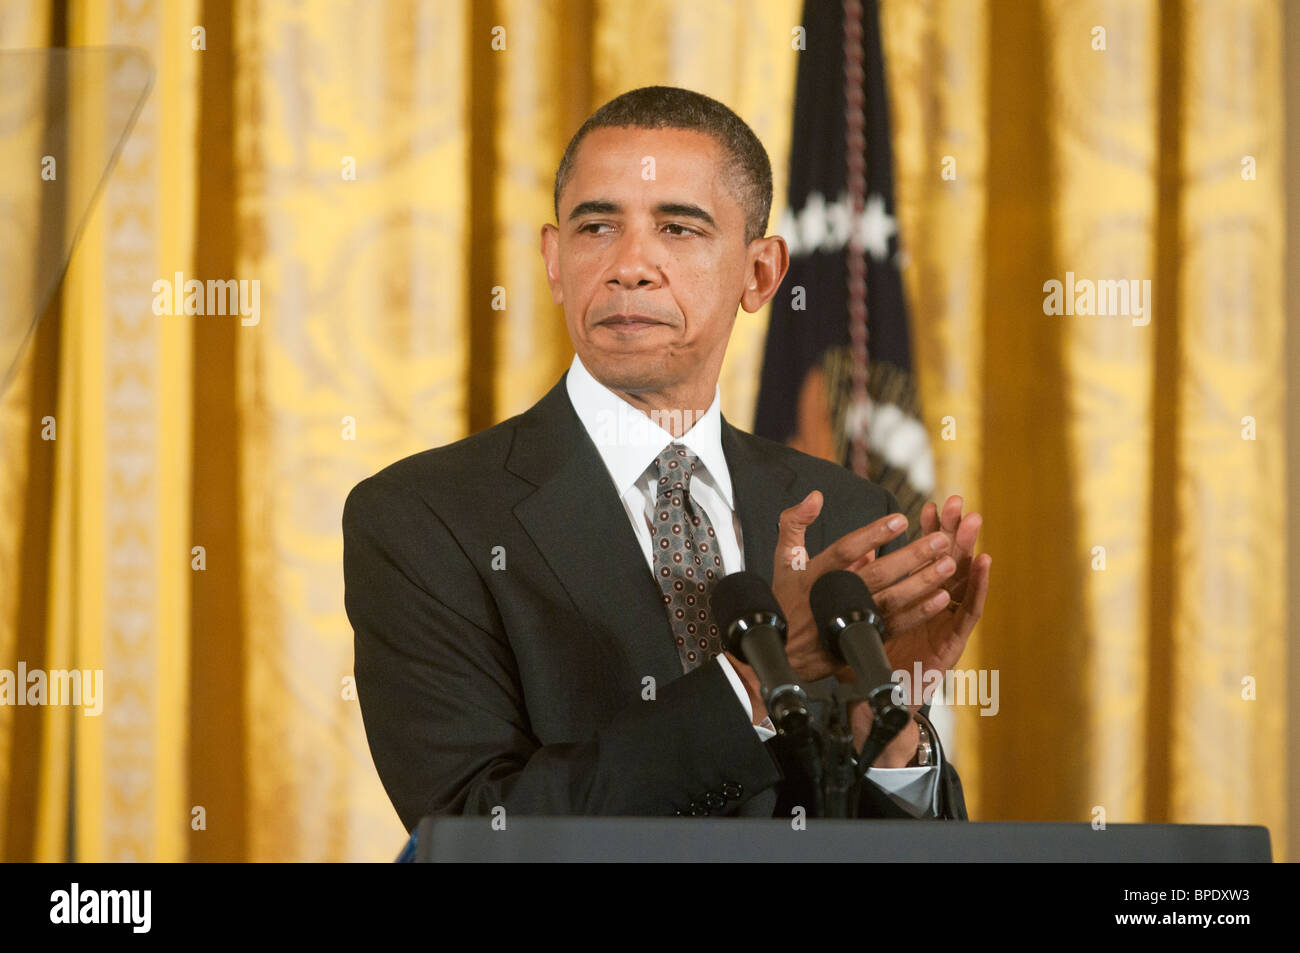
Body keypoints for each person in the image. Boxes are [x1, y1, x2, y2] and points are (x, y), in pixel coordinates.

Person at [343, 86, 991, 831]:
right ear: (555, 262)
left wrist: (892, 723)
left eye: (679, 228)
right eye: (597, 227)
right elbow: (476, 828)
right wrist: (749, 683)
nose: (631, 266)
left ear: (760, 274)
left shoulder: (849, 513)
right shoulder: (425, 517)